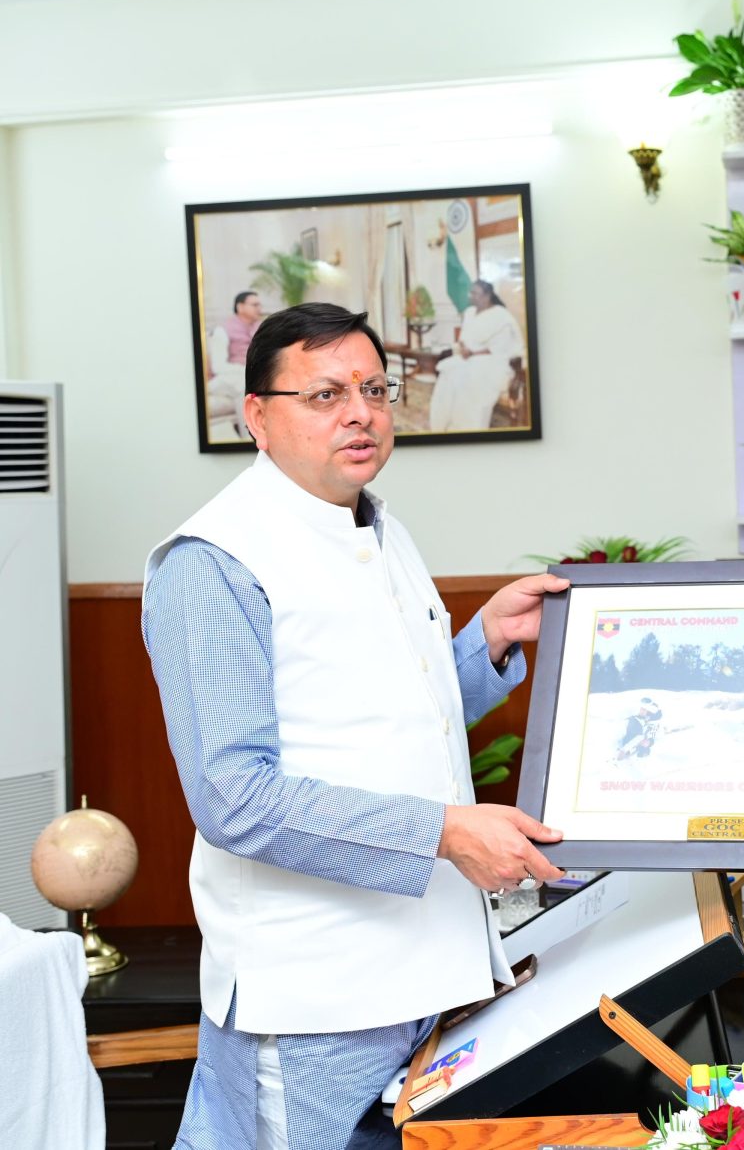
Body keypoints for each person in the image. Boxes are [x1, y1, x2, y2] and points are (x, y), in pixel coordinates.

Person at [142, 301, 567, 1149]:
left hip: (423, 975)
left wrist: (483, 640)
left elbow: (381, 713)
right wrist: (446, 832)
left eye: (374, 388)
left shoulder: (373, 522)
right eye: (326, 393)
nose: (361, 412)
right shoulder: (214, 561)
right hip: (315, 1000)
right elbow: (235, 798)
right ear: (257, 416)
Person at [428, 279, 523, 431]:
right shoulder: (469, 312)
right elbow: (463, 338)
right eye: (470, 292)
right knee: (448, 372)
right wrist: (464, 348)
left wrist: (473, 353)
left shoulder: (501, 316)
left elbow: (500, 348)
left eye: (475, 293)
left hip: (492, 360)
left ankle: (468, 430)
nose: (470, 296)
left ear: (487, 296)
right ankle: (444, 426)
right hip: (468, 357)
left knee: (469, 379)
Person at [206, 291, 265, 427]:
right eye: (254, 305)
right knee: (242, 387)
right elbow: (218, 367)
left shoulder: (261, 328)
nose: (259, 308)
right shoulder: (223, 330)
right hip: (225, 378)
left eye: (259, 304)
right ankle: (249, 438)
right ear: (240, 307)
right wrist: (245, 370)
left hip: (250, 376)